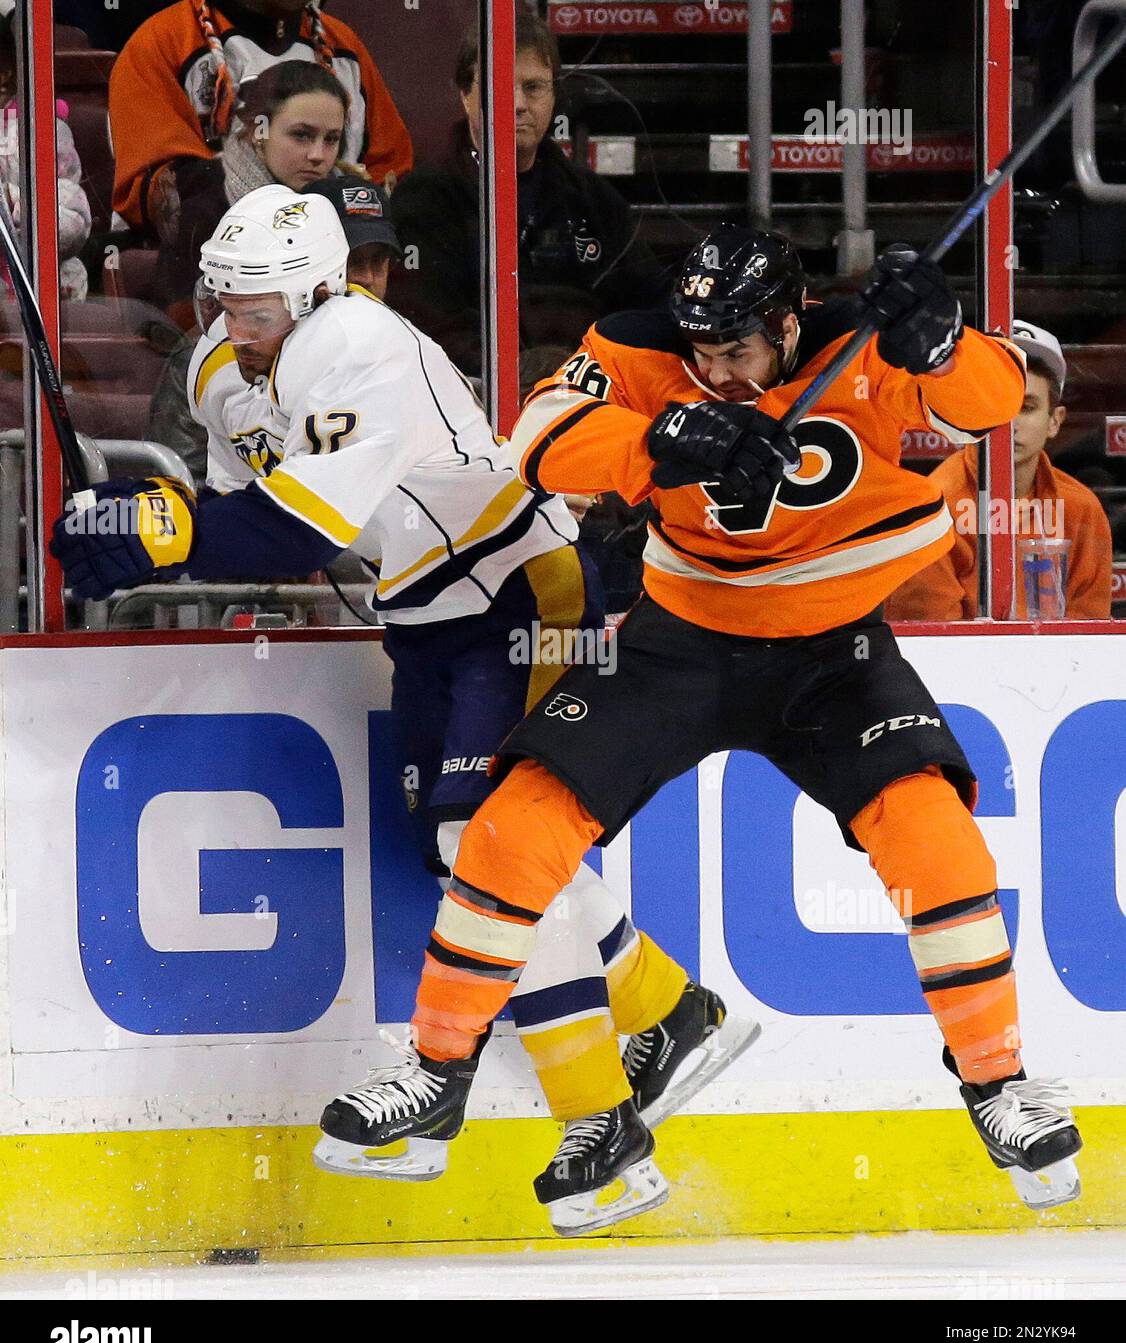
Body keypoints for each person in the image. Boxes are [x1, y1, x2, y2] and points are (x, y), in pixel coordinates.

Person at [314, 226, 1085, 1217]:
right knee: (509, 829)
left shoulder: (869, 344)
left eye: (738, 350)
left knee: (934, 839)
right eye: (701, 349)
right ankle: (433, 1076)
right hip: (679, 644)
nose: (715, 370)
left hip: (832, 652)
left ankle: (997, 1082)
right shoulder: (642, 347)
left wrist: (945, 339)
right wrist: (658, 441)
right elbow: (535, 441)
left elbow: (980, 404)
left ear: (790, 323)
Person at [49, 184, 757, 1236]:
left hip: (522, 587)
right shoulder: (219, 365)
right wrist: (122, 517)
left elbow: (290, 532)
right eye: (222, 302)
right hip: (427, 612)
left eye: (257, 310)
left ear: (320, 292)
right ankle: (667, 1015)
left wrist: (159, 535)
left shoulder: (359, 347)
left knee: (489, 845)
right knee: (452, 850)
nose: (234, 329)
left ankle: (601, 1121)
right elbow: (232, 508)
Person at [387, 13, 665, 379]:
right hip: (474, 396)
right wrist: (522, 375)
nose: (518, 103)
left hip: (591, 390)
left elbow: (652, 302)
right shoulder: (424, 198)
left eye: (533, 87)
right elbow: (426, 327)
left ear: (553, 95)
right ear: (465, 95)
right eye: (499, 85)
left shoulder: (594, 198)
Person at [146, 172, 403, 484]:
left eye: (379, 262)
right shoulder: (214, 361)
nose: (368, 279)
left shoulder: (397, 362)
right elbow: (207, 486)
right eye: (350, 262)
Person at [108, 0, 412, 239]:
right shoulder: (161, 43)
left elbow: (390, 173)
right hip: (217, 266)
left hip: (342, 255)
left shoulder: (344, 47)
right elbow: (163, 196)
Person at [885, 320, 1112, 621]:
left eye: (1026, 407)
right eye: (996, 402)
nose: (1009, 421)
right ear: (969, 411)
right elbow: (934, 639)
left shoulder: (1082, 509)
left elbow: (1088, 634)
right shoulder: (930, 507)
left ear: (1055, 421)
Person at [156, 59, 352, 319]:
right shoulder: (204, 207)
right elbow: (187, 322)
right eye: (301, 135)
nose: (318, 155)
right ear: (256, 131)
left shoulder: (352, 204)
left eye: (331, 139)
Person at [0, 7, 90, 300]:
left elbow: (73, 223)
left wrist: (12, 203)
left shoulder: (40, 131)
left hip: (41, 294)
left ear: (4, 75)